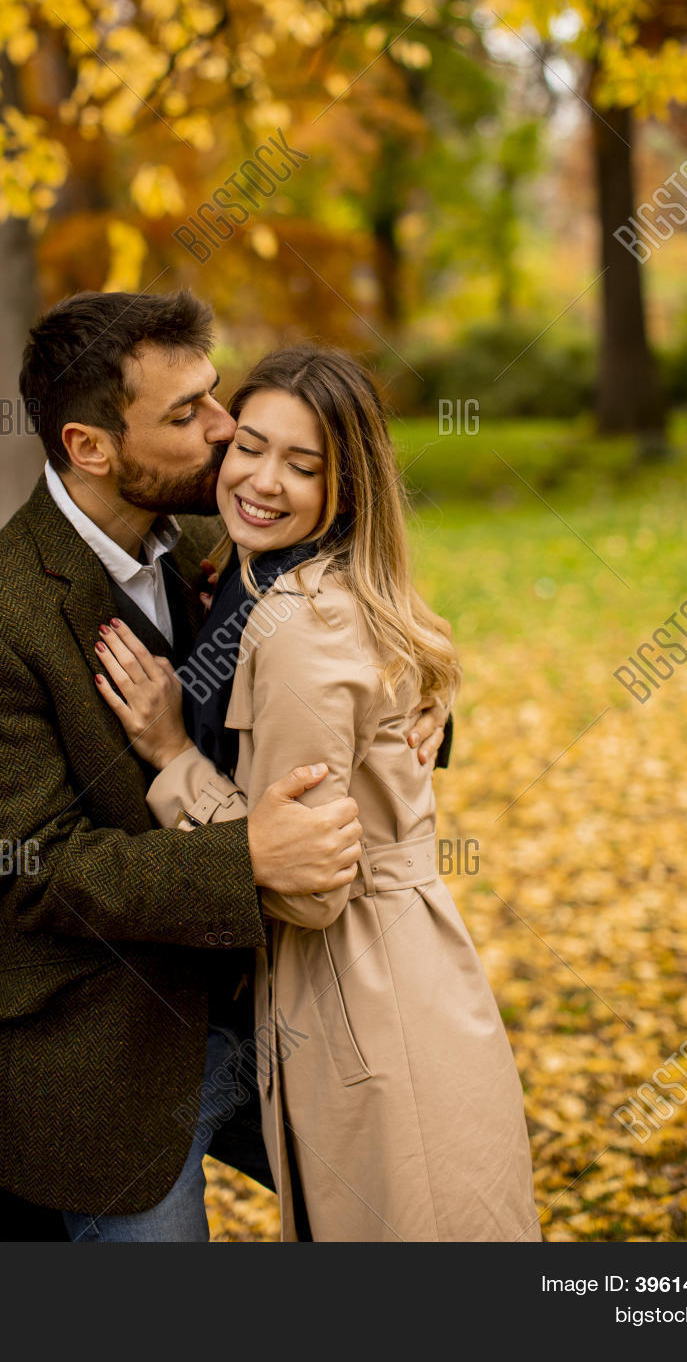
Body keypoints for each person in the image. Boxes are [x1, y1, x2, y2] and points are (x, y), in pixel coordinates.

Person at [0, 292, 449, 1242]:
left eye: (214, 394)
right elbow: (32, 868)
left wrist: (426, 710)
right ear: (90, 448)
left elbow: (347, 652)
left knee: (421, 1215)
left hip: (273, 1002)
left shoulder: (216, 535)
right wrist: (244, 859)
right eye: (186, 414)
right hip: (101, 1047)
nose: (226, 429)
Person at [94, 344, 541, 1242]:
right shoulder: (265, 577)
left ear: (351, 485)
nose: (262, 482)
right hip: (404, 977)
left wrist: (172, 753)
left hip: (360, 992)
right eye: (248, 447)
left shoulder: (295, 623)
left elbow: (308, 882)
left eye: (303, 466)